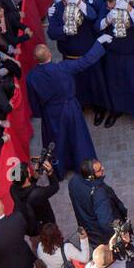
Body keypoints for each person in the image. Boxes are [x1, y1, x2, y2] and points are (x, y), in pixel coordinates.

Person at [26, 40, 107, 177]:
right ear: (50, 54)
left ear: (36, 59)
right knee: (78, 138)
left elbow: (33, 101)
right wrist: (99, 43)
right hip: (70, 108)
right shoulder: (63, 68)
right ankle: (84, 166)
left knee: (56, 142)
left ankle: (60, 168)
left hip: (50, 112)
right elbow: (85, 61)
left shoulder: (31, 77)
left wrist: (41, 113)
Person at [68, 159, 129, 248]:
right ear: (91, 176)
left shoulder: (74, 181)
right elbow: (106, 222)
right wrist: (119, 236)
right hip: (102, 237)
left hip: (89, 231)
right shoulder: (99, 193)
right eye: (99, 170)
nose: (103, 168)